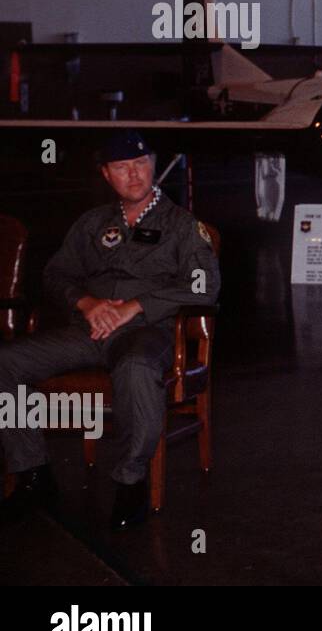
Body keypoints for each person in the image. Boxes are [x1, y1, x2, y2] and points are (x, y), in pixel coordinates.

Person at [0, 130, 221, 530]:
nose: (134, 175)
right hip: (89, 330)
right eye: (122, 167)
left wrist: (136, 306)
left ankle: (130, 481)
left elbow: (205, 286)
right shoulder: (92, 223)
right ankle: (33, 474)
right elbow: (55, 273)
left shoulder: (183, 226)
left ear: (153, 164)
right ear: (106, 175)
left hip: (147, 331)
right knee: (5, 362)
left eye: (141, 164)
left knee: (136, 368)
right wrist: (86, 303)